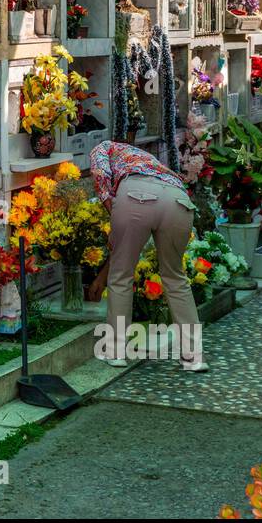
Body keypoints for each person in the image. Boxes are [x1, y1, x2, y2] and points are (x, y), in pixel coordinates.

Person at [87, 140, 207, 372]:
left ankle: (116, 352)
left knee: (121, 276)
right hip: (178, 200)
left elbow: (100, 174)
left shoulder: (103, 147)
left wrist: (113, 211)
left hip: (135, 195)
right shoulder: (147, 159)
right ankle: (194, 357)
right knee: (176, 278)